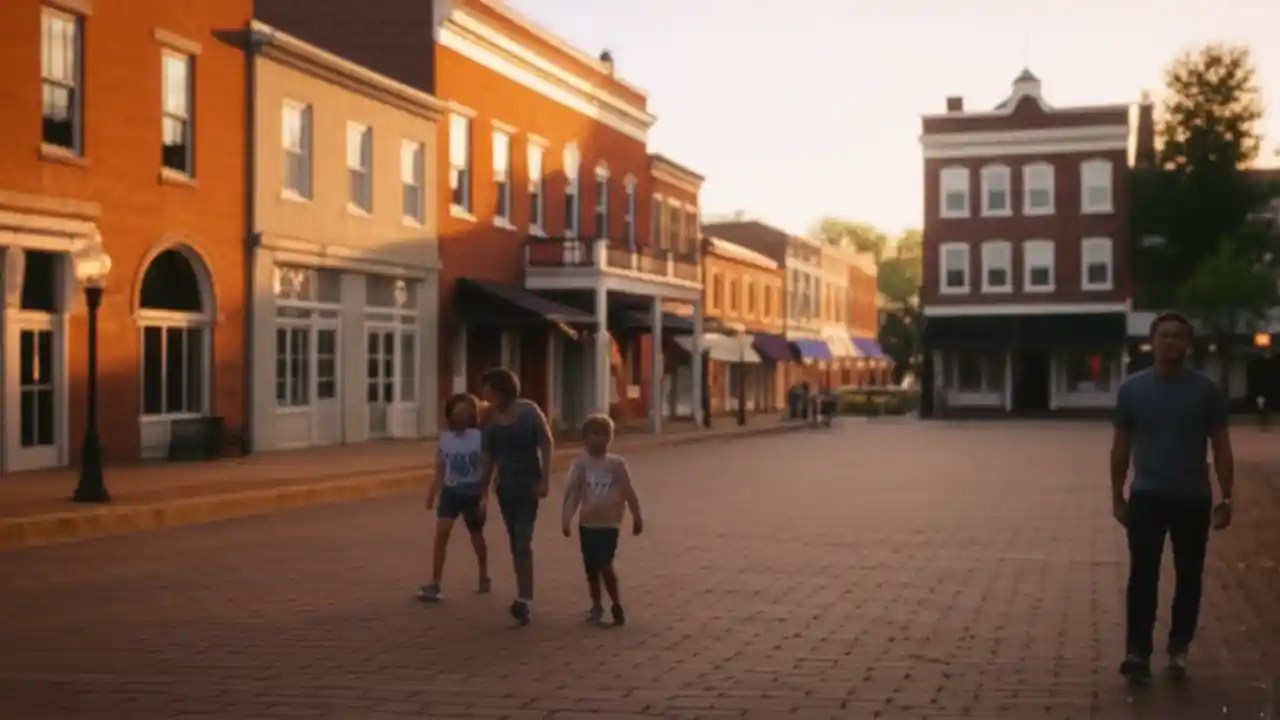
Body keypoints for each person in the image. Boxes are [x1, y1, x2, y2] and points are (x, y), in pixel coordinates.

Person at [1111, 311, 1234, 684]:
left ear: (1188, 344)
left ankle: (1179, 645)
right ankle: (1137, 652)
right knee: (1143, 575)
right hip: (1147, 494)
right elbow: (1120, 446)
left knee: (1189, 576)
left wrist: (1226, 495)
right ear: (1153, 341)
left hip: (1192, 497)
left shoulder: (1206, 391)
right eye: (1165, 336)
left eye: (1179, 337)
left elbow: (1221, 444)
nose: (1172, 342)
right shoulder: (1132, 390)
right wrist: (1117, 495)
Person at [477, 367, 553, 626]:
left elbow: (546, 442)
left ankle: (524, 599)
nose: (484, 394)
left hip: (528, 484)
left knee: (523, 540)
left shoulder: (528, 411)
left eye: (487, 388)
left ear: (501, 388)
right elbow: (487, 456)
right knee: (514, 540)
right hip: (505, 486)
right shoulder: (489, 418)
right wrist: (482, 492)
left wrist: (545, 478)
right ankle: (523, 593)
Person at [561, 414, 643, 626]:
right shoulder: (580, 465)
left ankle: (616, 604)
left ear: (609, 438)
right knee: (590, 568)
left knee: (605, 565)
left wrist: (636, 515)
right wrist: (566, 519)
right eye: (593, 434)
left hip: (609, 524)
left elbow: (628, 490)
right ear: (585, 438)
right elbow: (574, 493)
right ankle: (596, 604)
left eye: (602, 435)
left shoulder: (616, 464)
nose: (597, 439)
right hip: (587, 523)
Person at [419, 393, 490, 602]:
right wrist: (432, 494)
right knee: (441, 535)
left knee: (476, 537)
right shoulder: (445, 439)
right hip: (451, 492)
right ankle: (435, 582)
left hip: (472, 493)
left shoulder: (479, 437)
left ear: (472, 416)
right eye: (456, 413)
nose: (460, 418)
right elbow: (440, 469)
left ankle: (483, 574)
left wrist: (484, 497)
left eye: (465, 414)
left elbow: (487, 468)